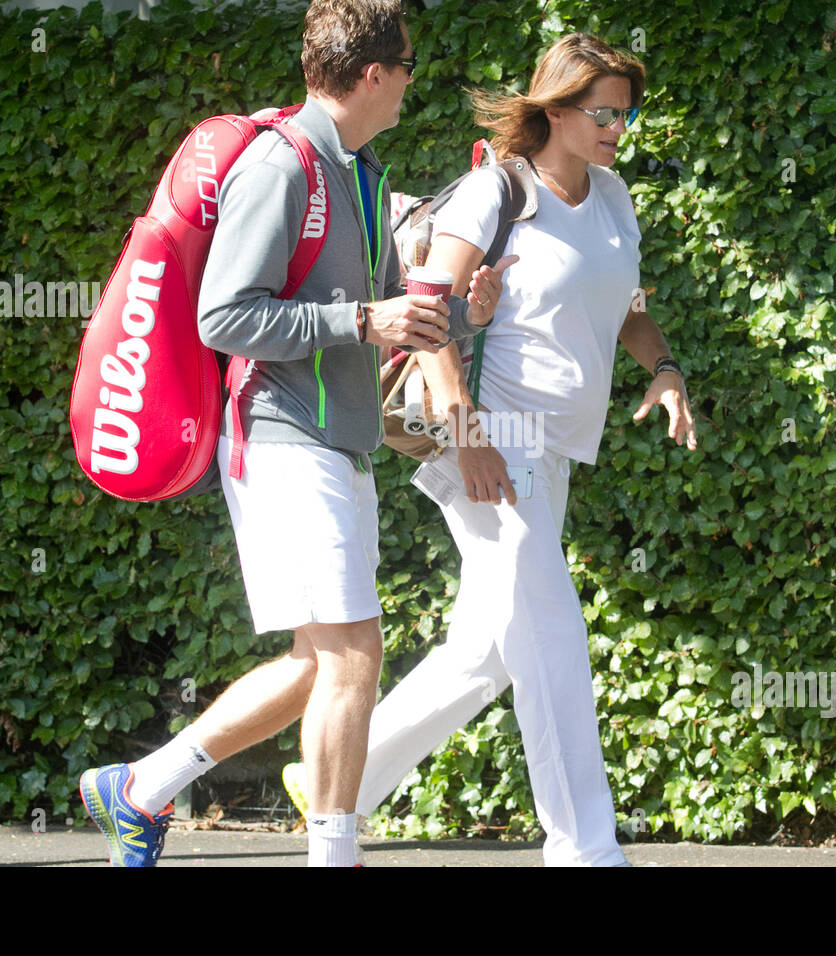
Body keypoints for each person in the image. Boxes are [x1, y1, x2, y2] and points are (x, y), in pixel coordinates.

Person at [78, 0, 510, 868]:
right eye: (409, 65)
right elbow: (224, 317)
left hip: (333, 444)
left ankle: (139, 788)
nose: (415, 80)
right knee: (357, 651)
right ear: (373, 73)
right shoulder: (282, 166)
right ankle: (334, 855)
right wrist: (361, 317)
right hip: (281, 438)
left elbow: (397, 319)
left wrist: (462, 315)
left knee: (319, 663)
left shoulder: (362, 169)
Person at [287, 32, 699, 866]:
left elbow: (626, 305)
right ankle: (585, 848)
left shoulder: (614, 198)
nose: (619, 125)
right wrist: (470, 431)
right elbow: (428, 307)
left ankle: (342, 782)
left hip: (553, 451)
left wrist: (664, 369)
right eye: (603, 112)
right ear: (555, 109)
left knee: (484, 653)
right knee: (551, 632)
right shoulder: (495, 191)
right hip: (490, 438)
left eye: (626, 111)